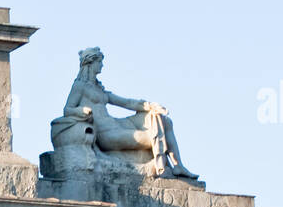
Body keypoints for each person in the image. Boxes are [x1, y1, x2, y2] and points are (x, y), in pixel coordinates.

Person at [52, 47, 196, 179]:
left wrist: (150, 106)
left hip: (117, 124)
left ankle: (178, 166)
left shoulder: (99, 88)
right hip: (106, 134)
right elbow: (67, 109)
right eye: (100, 62)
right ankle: (161, 167)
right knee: (152, 135)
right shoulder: (79, 86)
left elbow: (126, 102)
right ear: (91, 63)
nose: (102, 65)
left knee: (161, 120)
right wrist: (81, 111)